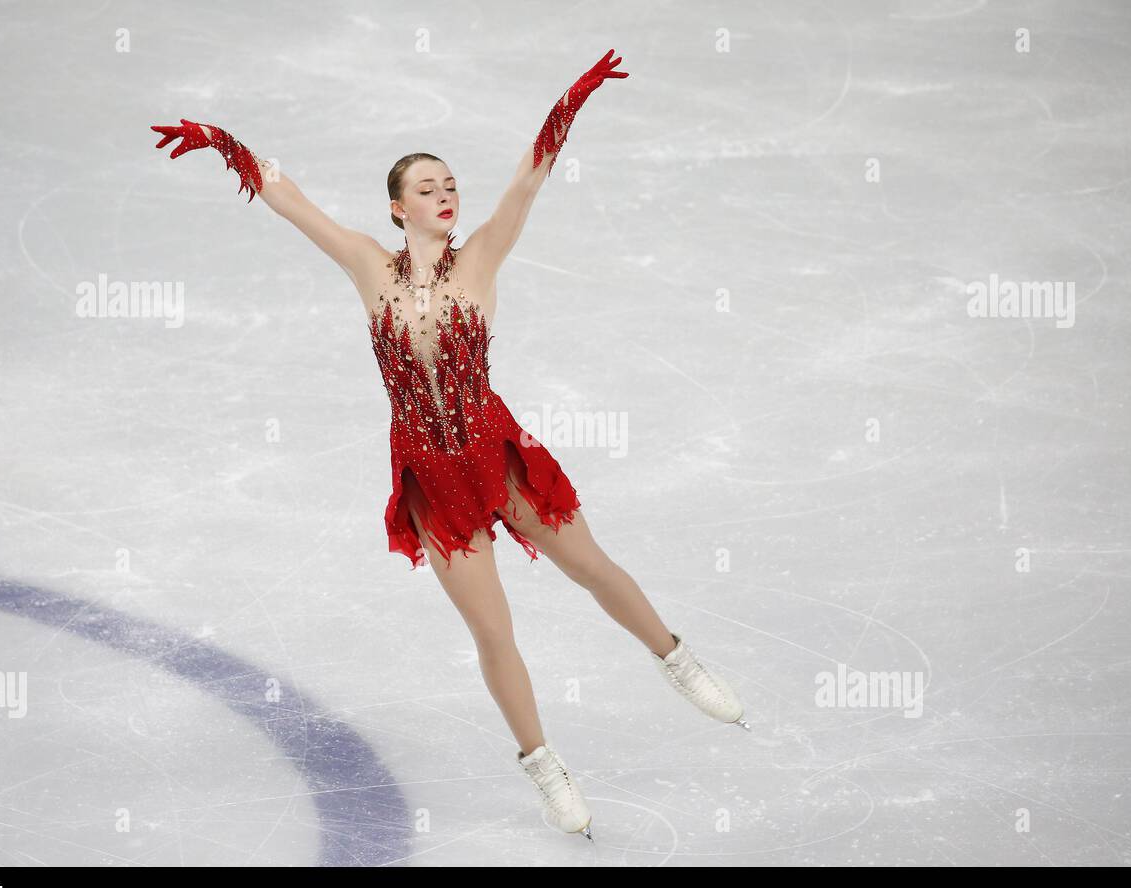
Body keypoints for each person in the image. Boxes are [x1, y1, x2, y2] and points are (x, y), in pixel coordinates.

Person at [150, 49, 747, 842]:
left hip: (496, 454)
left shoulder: (482, 258)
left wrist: (571, 101)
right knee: (494, 630)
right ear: (397, 208)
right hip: (431, 477)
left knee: (592, 567)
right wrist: (220, 140)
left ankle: (677, 659)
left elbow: (528, 177)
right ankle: (544, 765)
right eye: (426, 187)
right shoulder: (367, 263)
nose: (445, 195)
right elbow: (288, 198)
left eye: (450, 184)